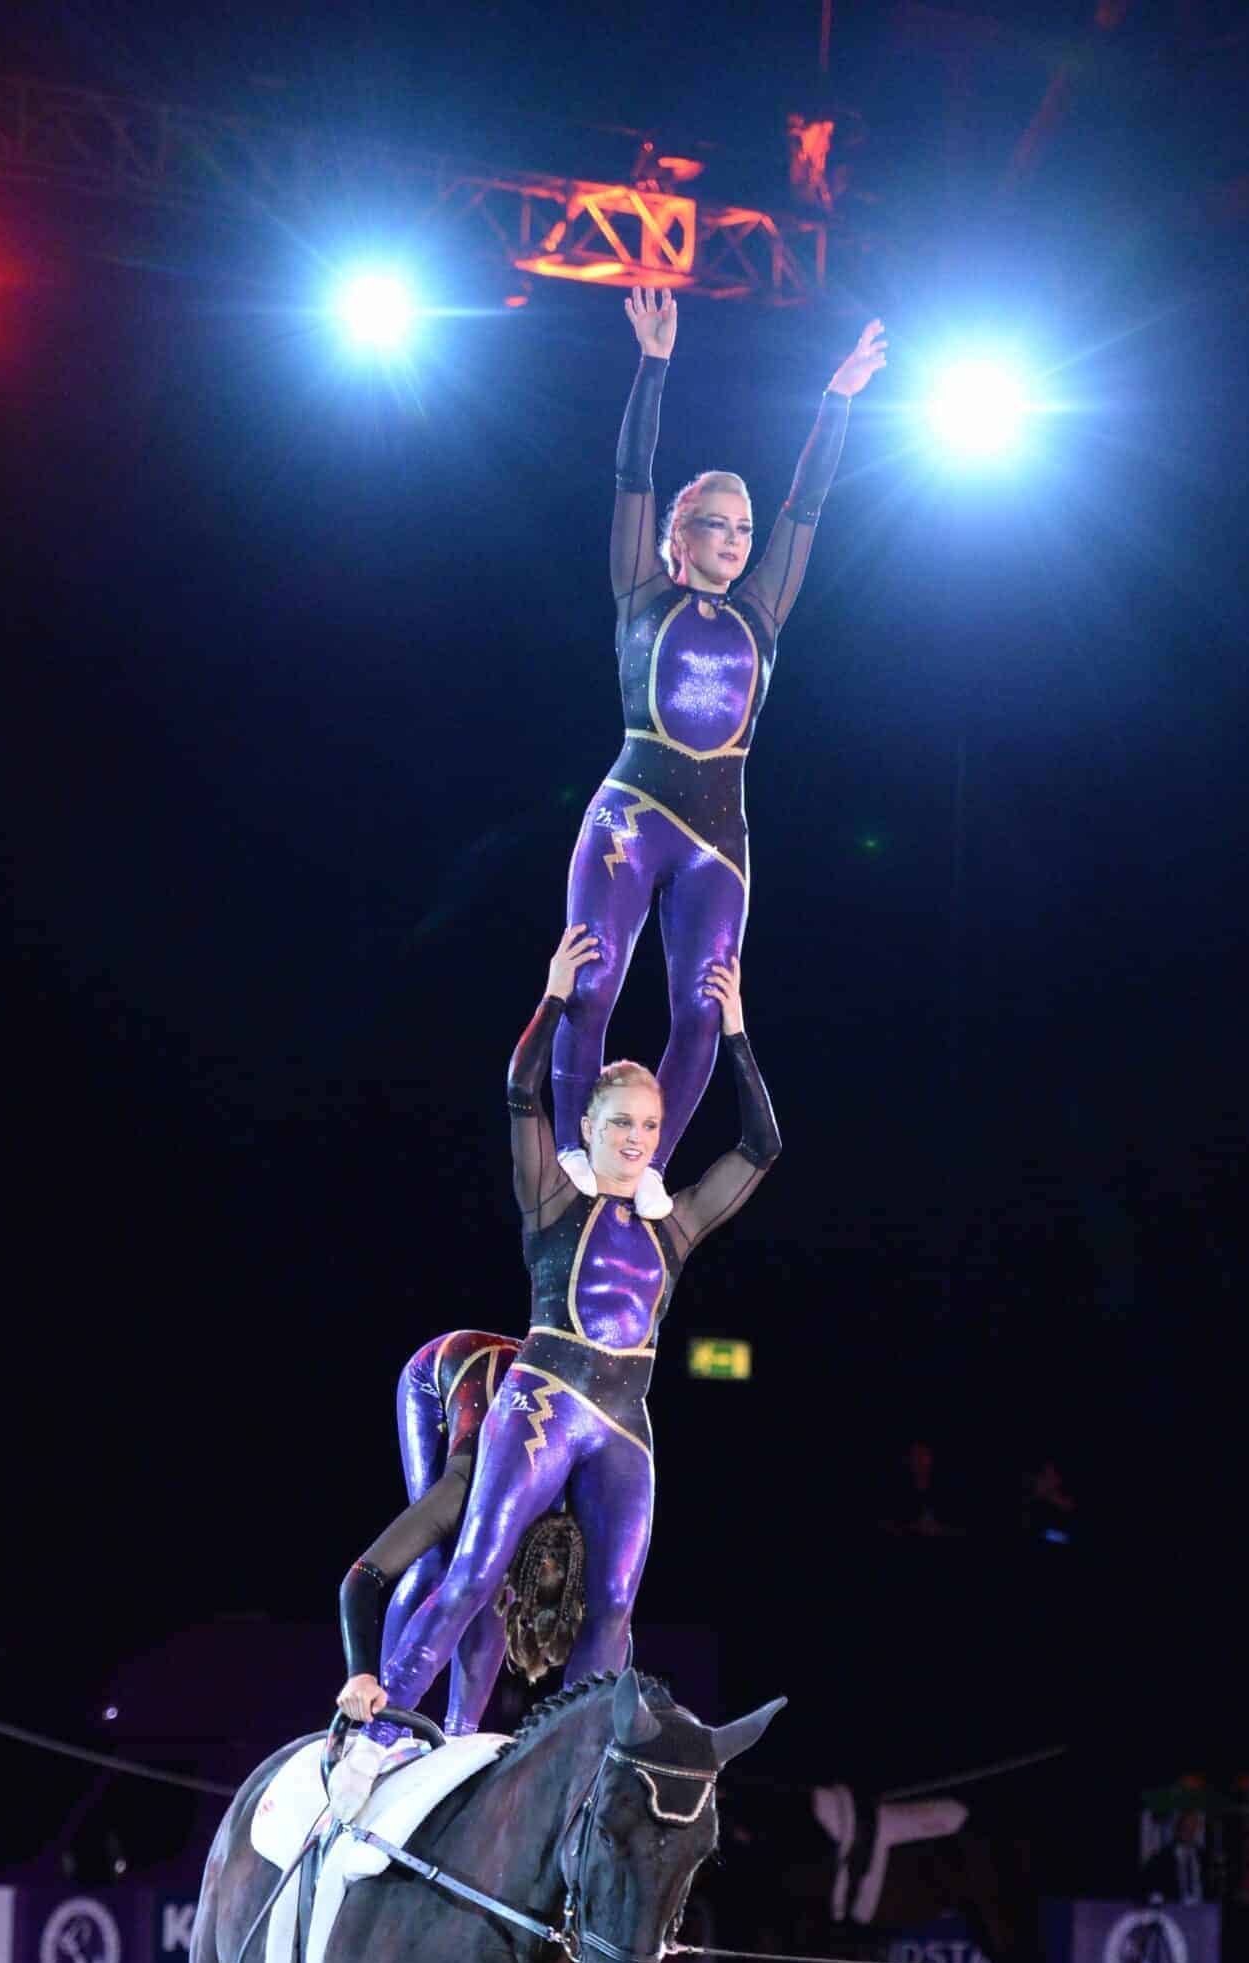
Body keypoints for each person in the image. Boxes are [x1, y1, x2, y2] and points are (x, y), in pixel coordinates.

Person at [340, 921, 780, 1737]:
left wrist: (737, 1033)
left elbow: (762, 1146)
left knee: (613, 1607)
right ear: (593, 1127)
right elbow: (519, 1090)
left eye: (648, 1128)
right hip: (542, 1399)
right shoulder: (553, 1200)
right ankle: (380, 1737)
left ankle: (570, 1769)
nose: (637, 1141)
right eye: (621, 1124)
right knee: (474, 1574)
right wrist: (550, 994)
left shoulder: (672, 1226)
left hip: (625, 1423)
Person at [552, 286, 884, 1208]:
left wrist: (838, 399)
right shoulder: (640, 595)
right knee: (596, 974)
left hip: (719, 839)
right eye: (716, 524)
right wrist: (653, 365)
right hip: (632, 813)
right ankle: (582, 1147)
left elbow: (806, 505)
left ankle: (648, 1170)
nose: (737, 540)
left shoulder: (764, 611)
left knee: (707, 1006)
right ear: (678, 536)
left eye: (743, 528)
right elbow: (631, 475)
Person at [335, 1332, 587, 1738]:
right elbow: (361, 1579)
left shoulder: (572, 1532)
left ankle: (460, 1732)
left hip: (527, 1394)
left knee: (485, 1583)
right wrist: (360, 1675)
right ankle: (384, 1724)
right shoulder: (461, 1489)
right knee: (438, 1560)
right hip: (439, 1372)